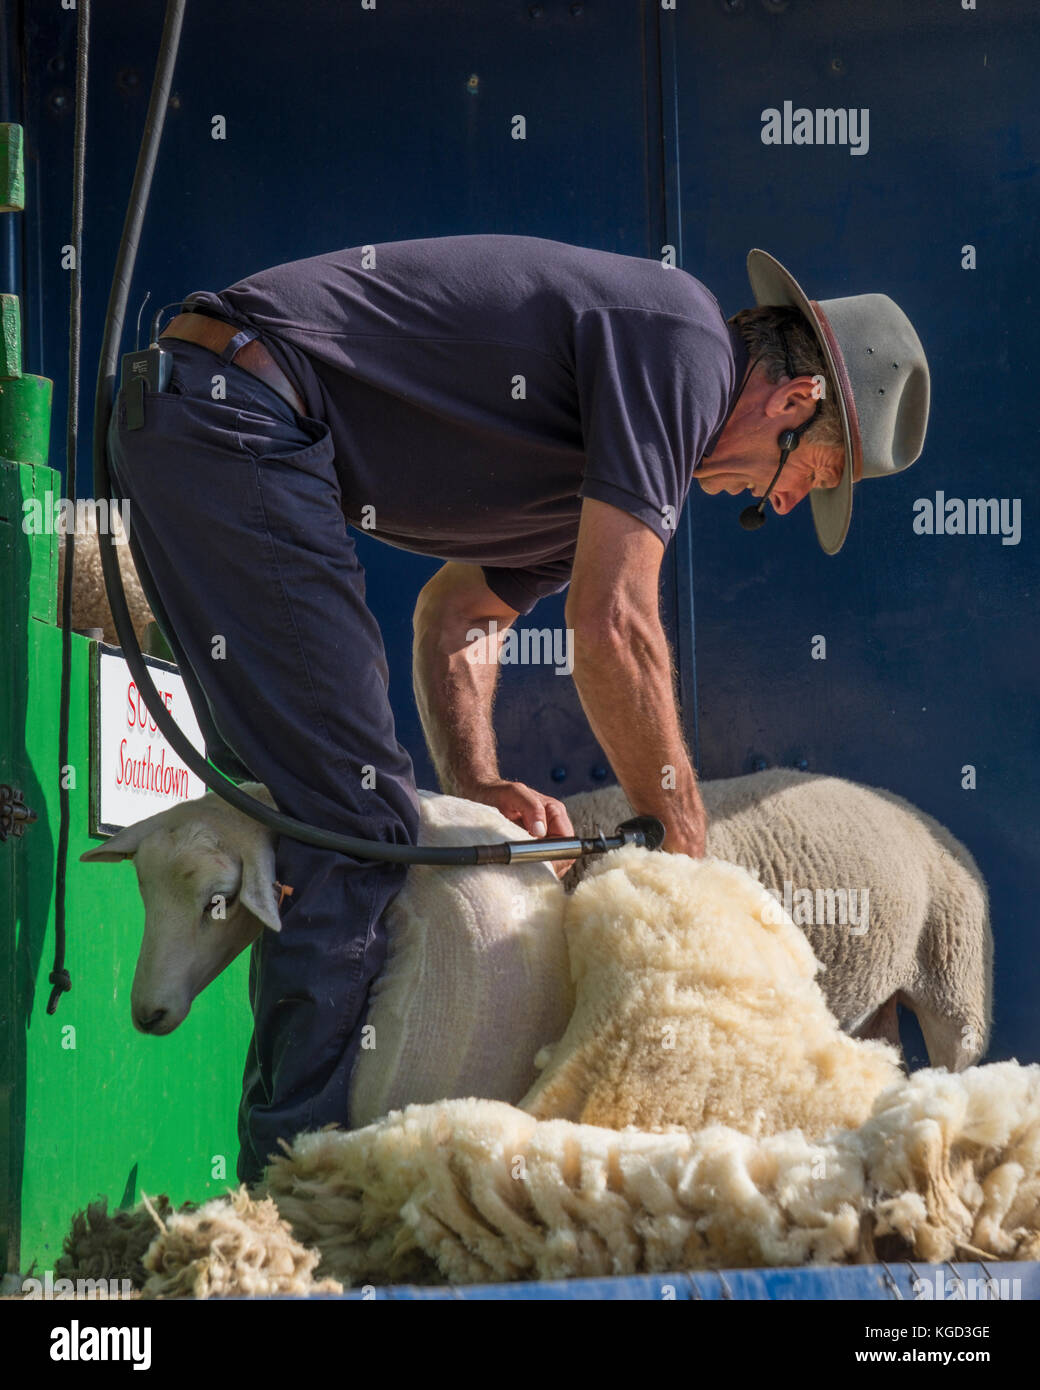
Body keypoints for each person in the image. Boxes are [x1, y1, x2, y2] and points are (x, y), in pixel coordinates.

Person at [106, 234, 930, 1183]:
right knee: (351, 823)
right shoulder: (684, 345)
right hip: (236, 412)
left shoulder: (600, 459)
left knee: (311, 814)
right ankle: (296, 1208)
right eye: (813, 476)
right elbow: (615, 620)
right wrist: (684, 839)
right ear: (795, 402)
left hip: (205, 415)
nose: (783, 505)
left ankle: (289, 1171)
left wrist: (476, 782)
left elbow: (456, 617)